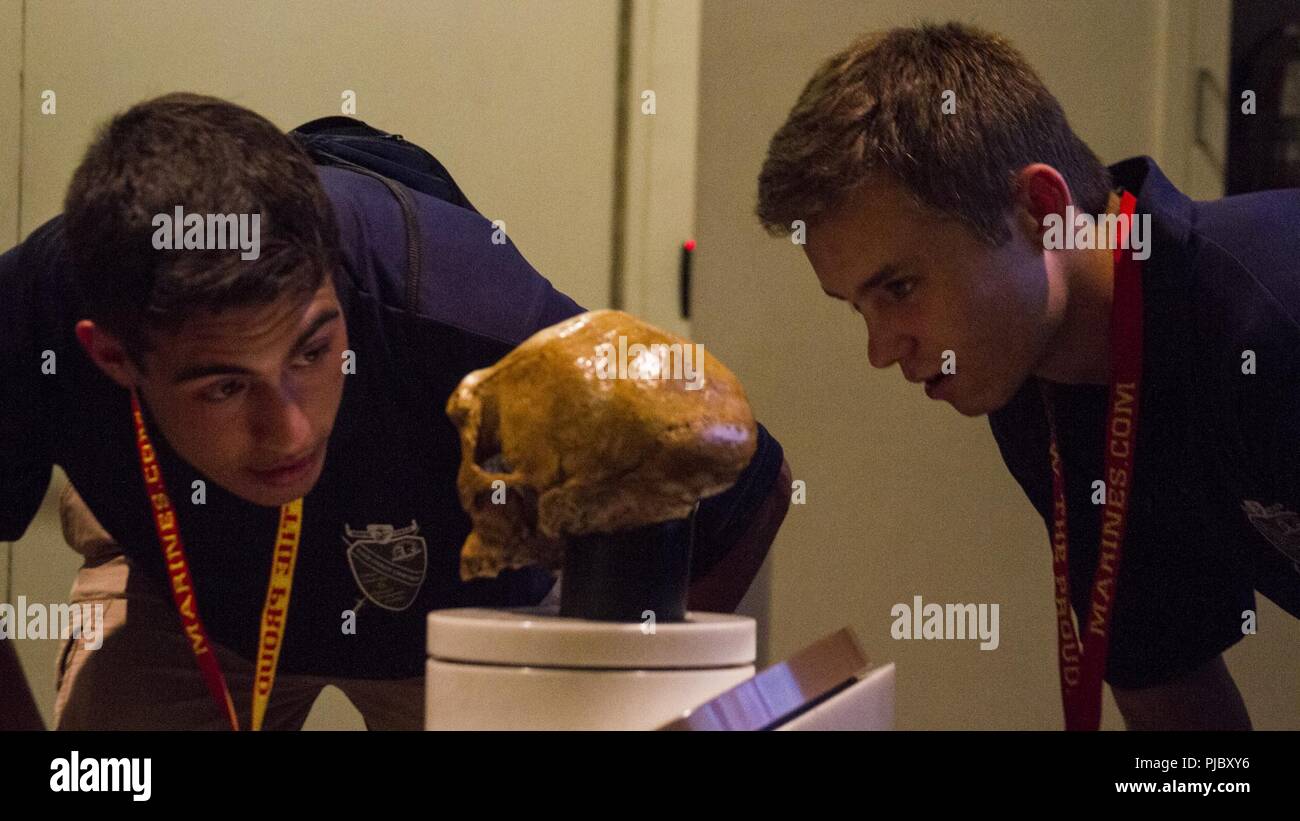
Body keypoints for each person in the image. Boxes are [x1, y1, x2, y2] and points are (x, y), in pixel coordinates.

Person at [0, 93, 791, 730]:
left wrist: (635, 699)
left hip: (461, 604)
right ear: (111, 356)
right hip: (188, 594)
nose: (292, 430)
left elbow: (754, 480)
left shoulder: (463, 307)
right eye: (224, 386)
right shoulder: (32, 313)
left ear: (337, 284)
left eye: (311, 352)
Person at [755, 22, 1298, 730]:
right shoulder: (1039, 389)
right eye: (856, 306)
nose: (881, 349)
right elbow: (1189, 740)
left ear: (1042, 211)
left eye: (899, 288)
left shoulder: (1269, 321)